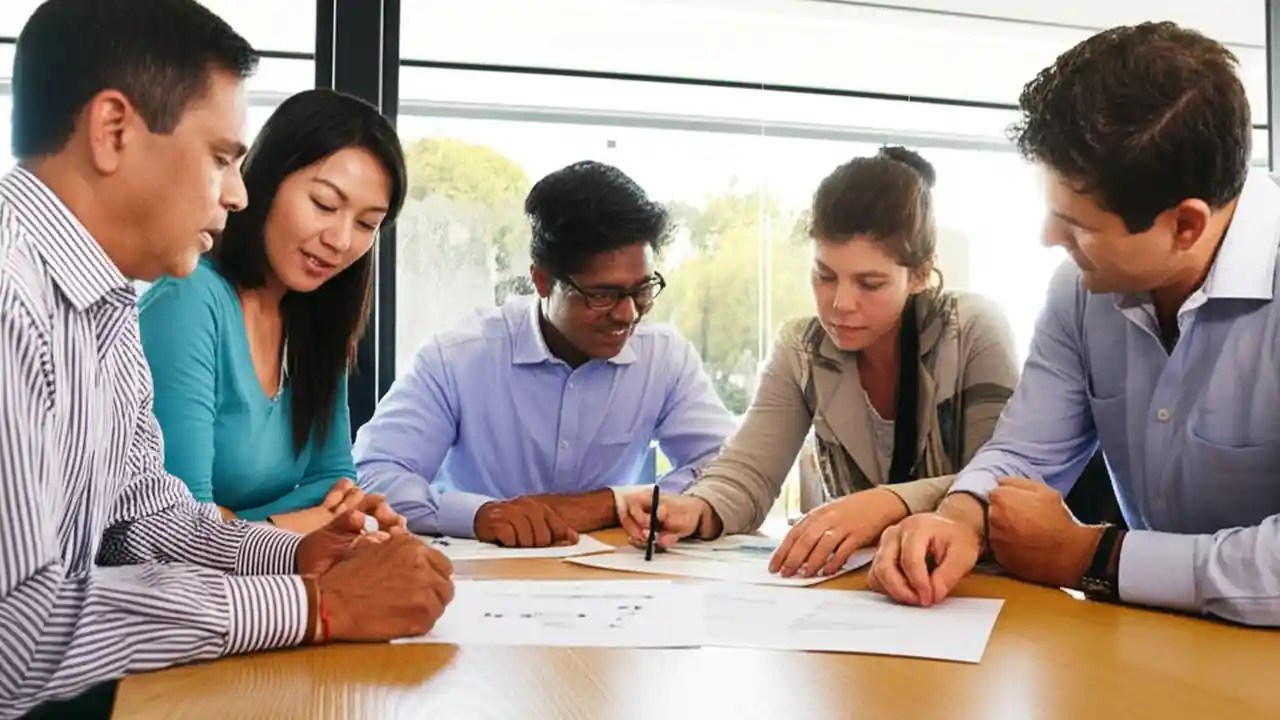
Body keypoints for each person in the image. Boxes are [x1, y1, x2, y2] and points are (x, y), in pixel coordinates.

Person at [0, 2, 453, 717]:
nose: (237, 192)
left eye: (366, 224)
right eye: (220, 158)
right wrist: (312, 605)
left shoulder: (103, 304)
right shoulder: (10, 298)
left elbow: (145, 521)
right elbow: (16, 638)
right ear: (113, 131)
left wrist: (301, 558)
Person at [867, 22, 1280, 627]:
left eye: (1078, 225)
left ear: (1185, 226)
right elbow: (1027, 448)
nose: (1048, 239)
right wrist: (959, 516)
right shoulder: (1083, 289)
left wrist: (1092, 555)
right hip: (1156, 645)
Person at [618, 148, 1020, 578]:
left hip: (974, 590)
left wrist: (888, 503)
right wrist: (697, 508)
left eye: (870, 283)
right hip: (862, 595)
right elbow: (749, 470)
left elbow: (1002, 480)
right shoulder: (800, 349)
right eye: (824, 275)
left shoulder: (974, 329)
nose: (840, 304)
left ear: (920, 275)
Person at [354, 160, 736, 547]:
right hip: (479, 578)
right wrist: (480, 515)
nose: (628, 314)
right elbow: (374, 475)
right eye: (602, 296)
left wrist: (624, 504)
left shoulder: (664, 358)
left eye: (642, 289)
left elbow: (729, 468)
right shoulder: (459, 357)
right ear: (541, 280)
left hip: (616, 578)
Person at [137, 88, 405, 534]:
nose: (340, 240)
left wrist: (257, 522)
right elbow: (181, 530)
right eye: (324, 204)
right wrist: (295, 524)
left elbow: (333, 484)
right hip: (179, 594)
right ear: (263, 181)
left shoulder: (316, 317)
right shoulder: (188, 301)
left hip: (267, 584)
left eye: (366, 224)